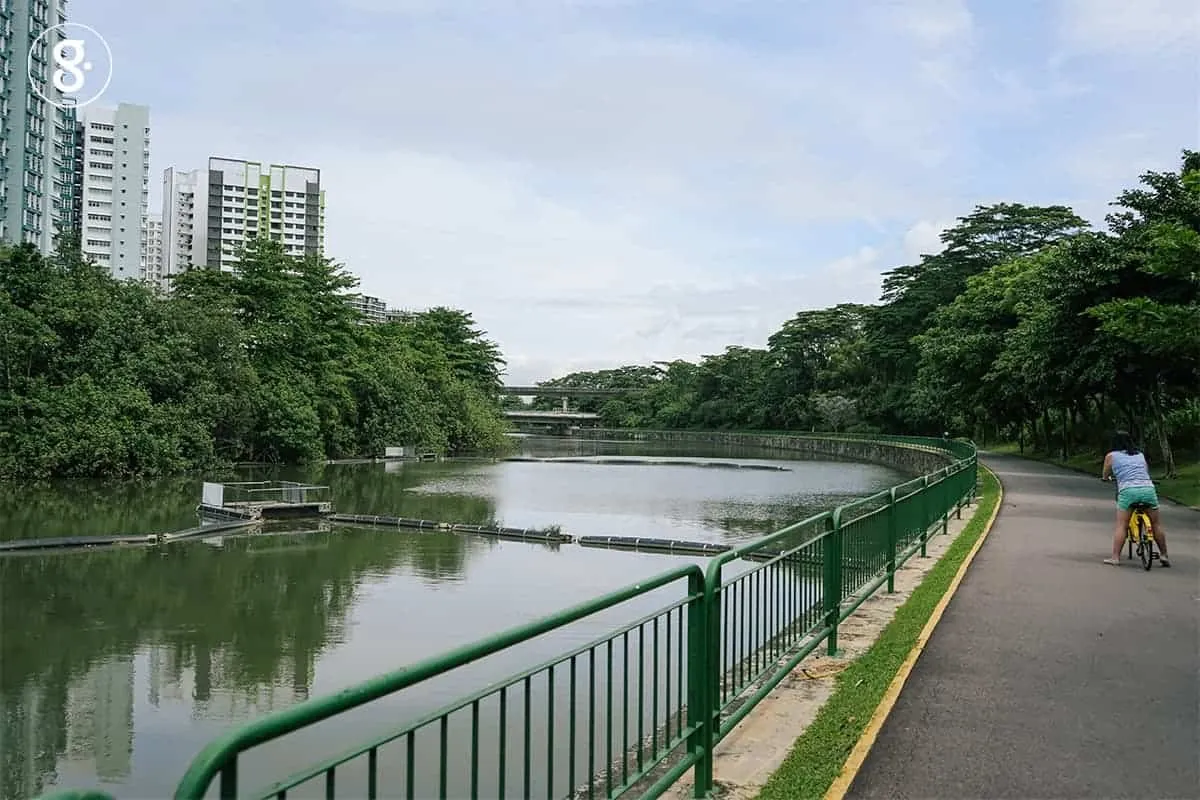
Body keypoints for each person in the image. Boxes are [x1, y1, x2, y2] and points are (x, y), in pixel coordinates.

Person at [1100, 431, 1170, 567]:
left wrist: (1105, 478)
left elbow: (1105, 474)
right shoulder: (1140, 455)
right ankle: (1164, 555)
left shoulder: (1111, 456)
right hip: (1148, 489)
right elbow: (1145, 471)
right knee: (1156, 524)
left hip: (1128, 491)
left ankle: (1115, 557)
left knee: (1122, 525)